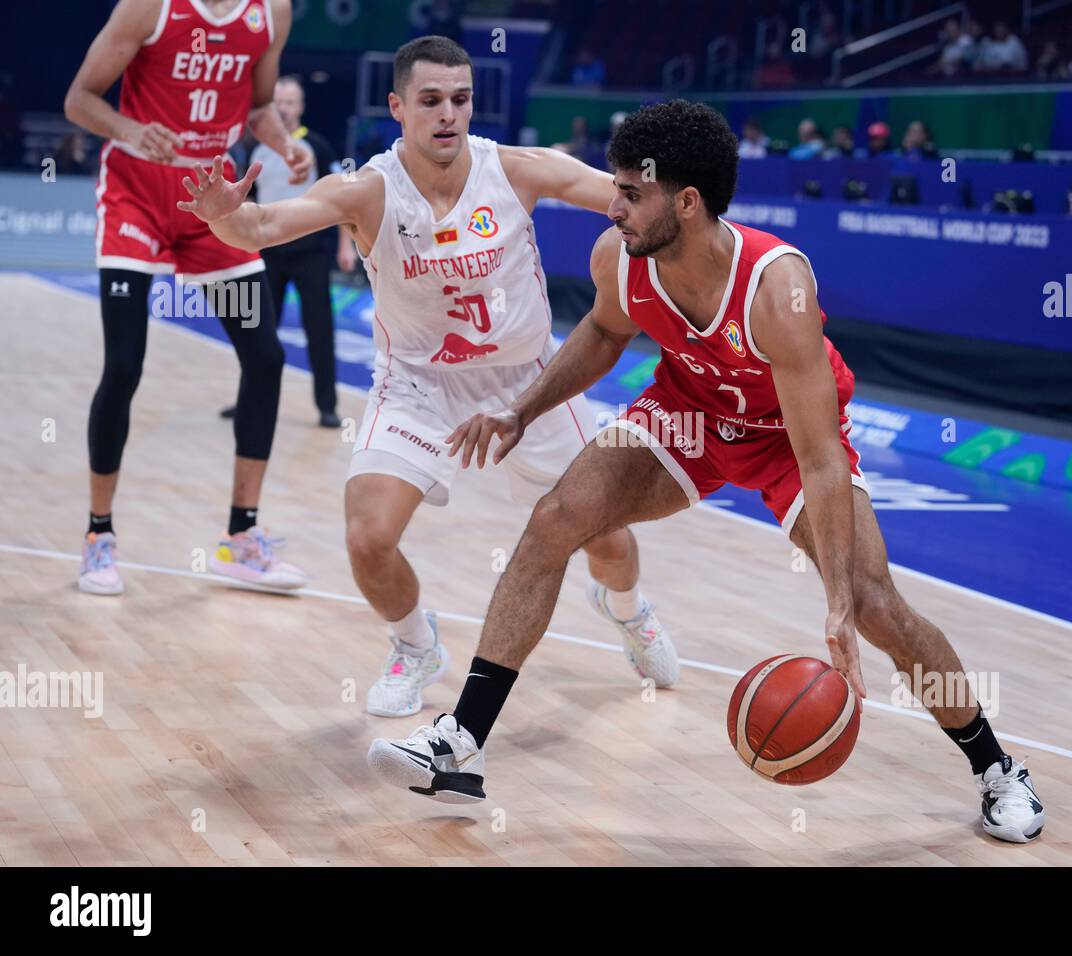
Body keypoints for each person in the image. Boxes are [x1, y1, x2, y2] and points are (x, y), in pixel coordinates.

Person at [368, 99, 1046, 845]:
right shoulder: (619, 260)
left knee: (876, 602)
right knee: (556, 519)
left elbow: (820, 456)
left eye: (631, 192)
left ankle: (998, 769)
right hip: (686, 415)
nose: (613, 205)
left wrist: (835, 601)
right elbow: (601, 332)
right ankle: (459, 741)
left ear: (686, 202)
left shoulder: (774, 288)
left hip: (786, 440)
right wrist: (520, 412)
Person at [177, 36, 680, 718]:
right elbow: (262, 224)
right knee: (367, 538)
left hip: (528, 385)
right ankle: (416, 646)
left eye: (461, 100)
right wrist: (222, 216)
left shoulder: (517, 169)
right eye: (431, 100)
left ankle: (629, 613)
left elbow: (625, 201)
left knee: (609, 542)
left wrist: (674, 199)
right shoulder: (368, 190)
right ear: (398, 107)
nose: (448, 114)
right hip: (417, 383)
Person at [64, 0, 312, 596]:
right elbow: (80, 99)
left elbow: (257, 108)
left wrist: (283, 144)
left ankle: (241, 538)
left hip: (211, 203)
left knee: (266, 356)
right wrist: (128, 129)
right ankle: (100, 535)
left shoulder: (271, 12)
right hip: (137, 197)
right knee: (124, 365)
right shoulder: (151, 7)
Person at [219, 76, 345, 427]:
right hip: (267, 255)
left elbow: (343, 198)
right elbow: (248, 201)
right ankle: (248, 400)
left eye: (291, 102)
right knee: (256, 330)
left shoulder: (318, 148)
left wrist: (346, 247)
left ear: (301, 107)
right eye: (279, 102)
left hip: (312, 254)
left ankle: (327, 406)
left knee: (320, 330)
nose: (285, 108)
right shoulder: (258, 150)